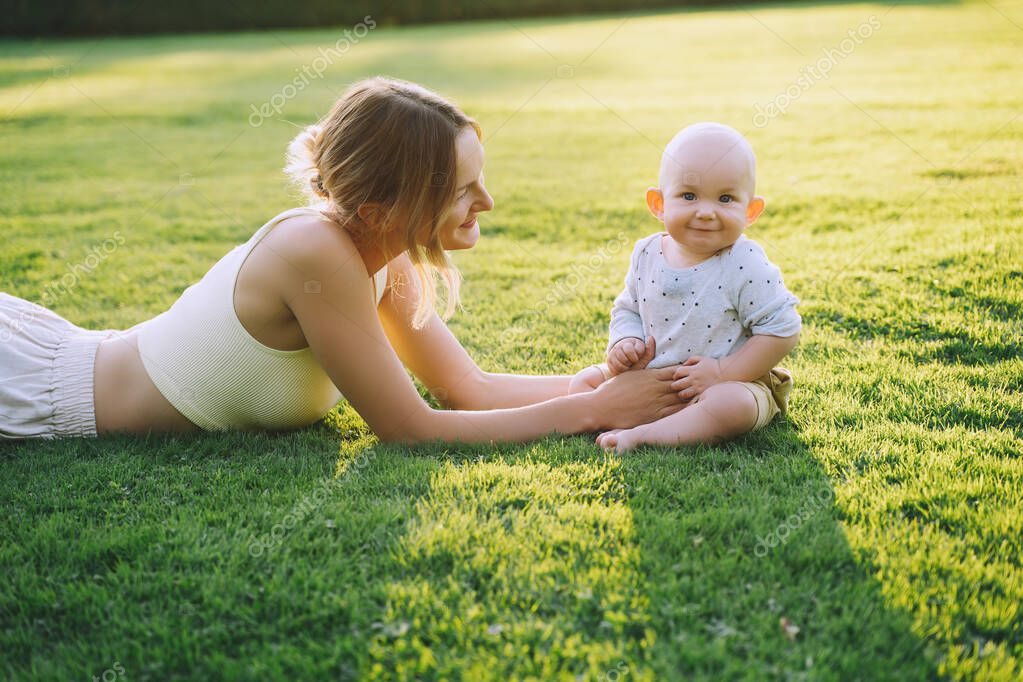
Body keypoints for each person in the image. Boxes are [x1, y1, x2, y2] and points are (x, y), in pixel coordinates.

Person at [1, 77, 683, 442]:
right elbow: (409, 428)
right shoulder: (315, 254)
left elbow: (465, 389)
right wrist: (594, 413)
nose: (489, 201)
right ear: (382, 208)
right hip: (40, 395)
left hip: (61, 353)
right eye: (460, 190)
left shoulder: (382, 255)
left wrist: (603, 387)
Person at [568, 122, 801, 452]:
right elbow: (629, 308)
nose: (706, 212)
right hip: (655, 379)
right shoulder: (647, 253)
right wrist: (625, 341)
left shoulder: (743, 261)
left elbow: (782, 330)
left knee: (732, 406)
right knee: (583, 382)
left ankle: (645, 435)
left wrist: (722, 372)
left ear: (750, 211)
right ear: (659, 203)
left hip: (731, 383)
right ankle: (644, 416)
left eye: (725, 198)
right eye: (688, 196)